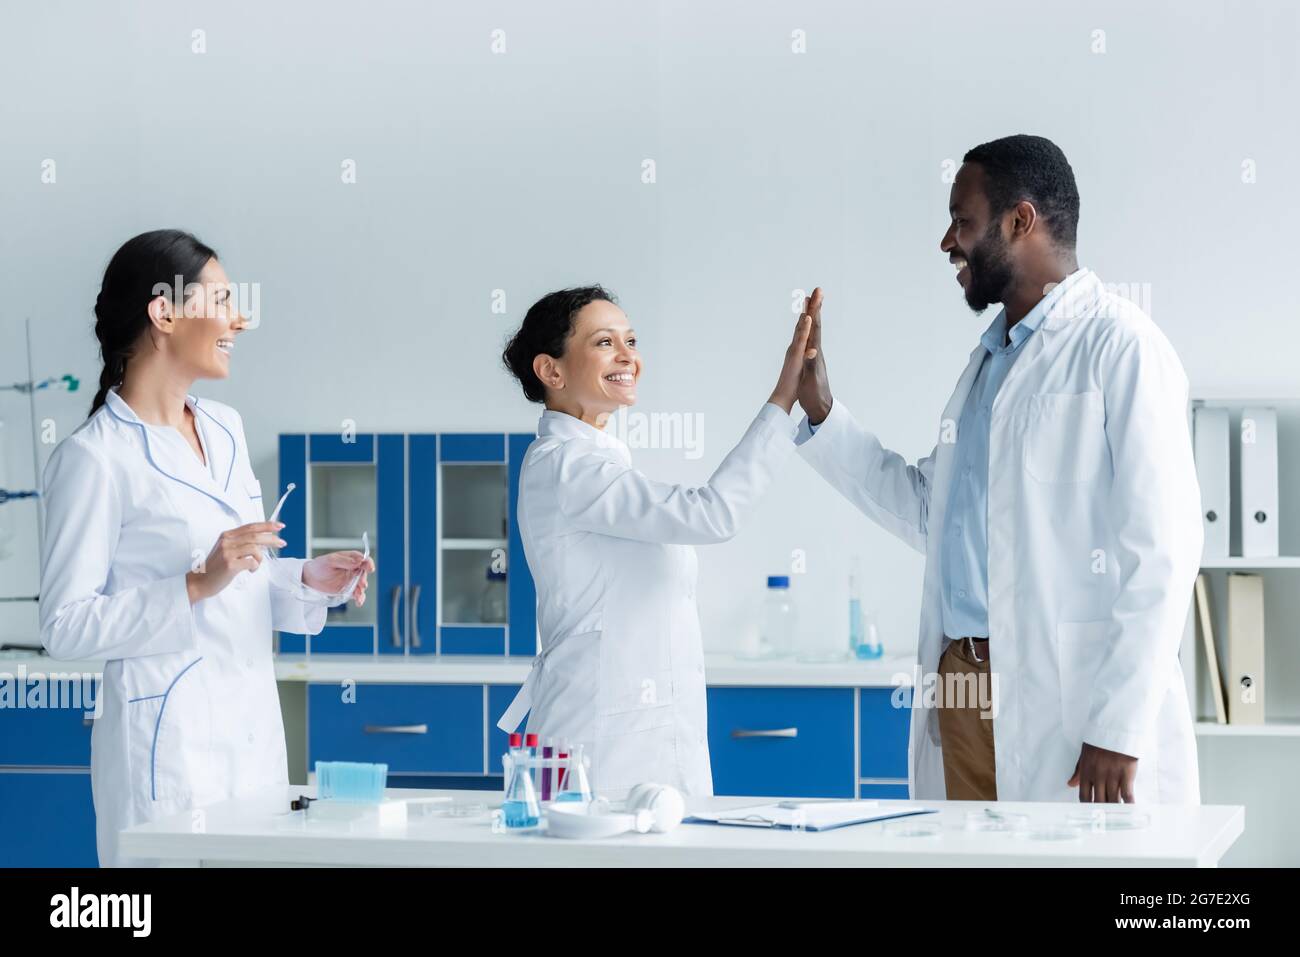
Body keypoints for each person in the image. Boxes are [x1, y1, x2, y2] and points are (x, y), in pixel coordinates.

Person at [795, 134, 1202, 804]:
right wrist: (822, 411)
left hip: (1067, 695)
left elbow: (1163, 550)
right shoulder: (988, 364)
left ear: (1020, 221)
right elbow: (935, 512)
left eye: (962, 220)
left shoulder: (1121, 347)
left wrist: (1119, 724)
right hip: (964, 685)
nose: (947, 242)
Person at [39, 229, 375, 865]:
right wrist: (194, 584)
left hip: (250, 736)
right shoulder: (94, 458)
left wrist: (306, 577)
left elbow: (243, 574)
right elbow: (63, 625)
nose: (239, 320)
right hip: (168, 749)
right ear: (163, 313)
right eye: (221, 300)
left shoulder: (225, 428)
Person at [497, 286, 812, 798]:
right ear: (551, 371)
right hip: (600, 747)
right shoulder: (565, 465)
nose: (628, 357)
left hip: (642, 744)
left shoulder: (597, 464)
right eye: (604, 342)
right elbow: (712, 514)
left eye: (632, 340)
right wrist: (782, 402)